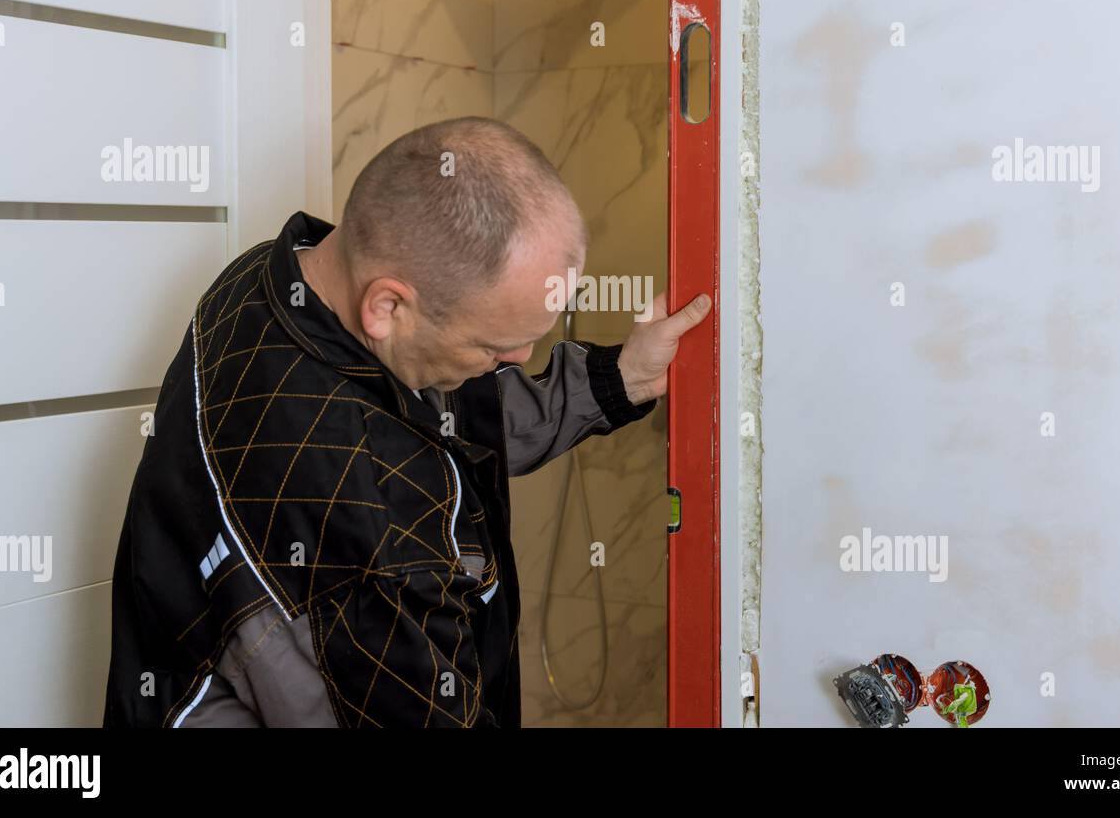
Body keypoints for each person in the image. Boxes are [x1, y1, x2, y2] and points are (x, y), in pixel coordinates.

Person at [103, 116, 711, 727]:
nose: (519, 359)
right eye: (495, 345)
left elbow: (458, 416)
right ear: (387, 306)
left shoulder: (270, 280)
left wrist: (620, 379)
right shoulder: (373, 527)